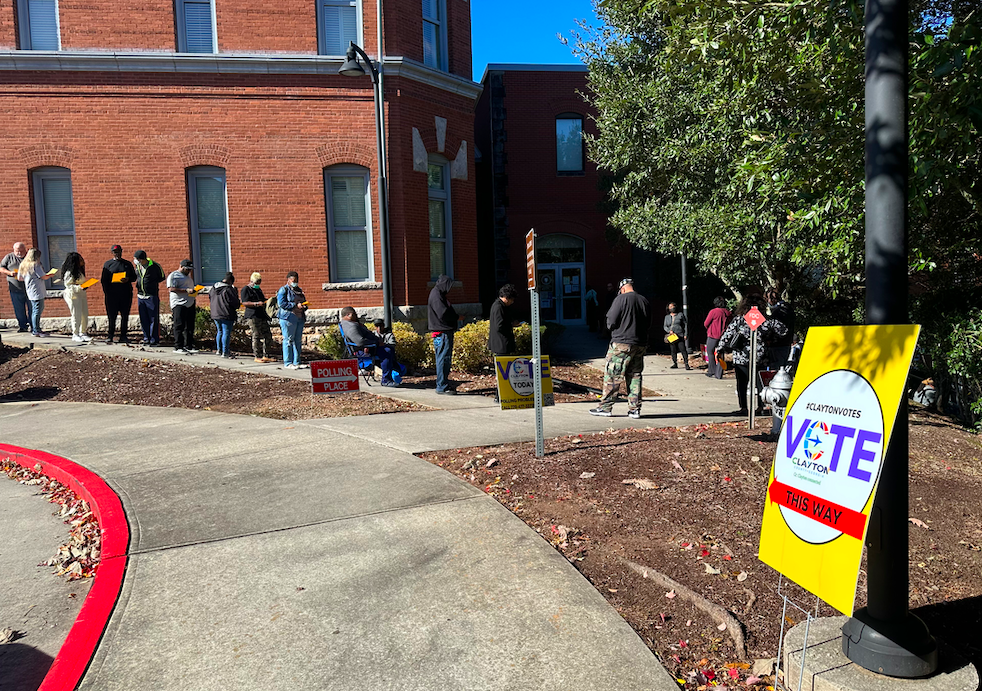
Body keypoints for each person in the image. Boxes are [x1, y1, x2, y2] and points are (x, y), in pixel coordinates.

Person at [716, 293, 788, 415]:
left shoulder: (739, 319)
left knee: (742, 384)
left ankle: (744, 407)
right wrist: (770, 339)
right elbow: (783, 330)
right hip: (761, 356)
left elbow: (727, 335)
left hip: (741, 356)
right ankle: (761, 406)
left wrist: (720, 348)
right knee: (760, 383)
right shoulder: (766, 320)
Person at [590, 278, 650, 418]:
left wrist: (611, 329)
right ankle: (635, 409)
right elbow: (648, 322)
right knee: (635, 375)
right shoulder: (644, 301)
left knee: (613, 375)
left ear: (622, 289)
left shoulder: (620, 299)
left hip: (622, 343)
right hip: (639, 343)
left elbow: (611, 320)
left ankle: (605, 407)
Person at [340, 308, 399, 386]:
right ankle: (386, 380)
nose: (357, 316)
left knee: (389, 348)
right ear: (349, 315)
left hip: (370, 347)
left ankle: (393, 373)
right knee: (387, 351)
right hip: (365, 350)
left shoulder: (349, 323)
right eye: (355, 315)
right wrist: (376, 343)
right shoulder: (351, 327)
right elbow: (360, 342)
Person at [428, 274, 459, 395]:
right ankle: (442, 385)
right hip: (442, 333)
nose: (449, 289)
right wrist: (456, 317)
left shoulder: (438, 294)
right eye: (448, 286)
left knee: (443, 358)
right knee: (443, 359)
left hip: (442, 332)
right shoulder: (436, 295)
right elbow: (443, 313)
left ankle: (443, 383)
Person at [100, 244, 137, 344]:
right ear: (112, 253)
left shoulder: (127, 264)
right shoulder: (108, 264)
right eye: (115, 252)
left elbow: (134, 277)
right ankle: (110, 335)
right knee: (112, 317)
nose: (117, 254)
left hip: (125, 294)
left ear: (121, 251)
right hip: (112, 296)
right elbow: (103, 280)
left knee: (125, 316)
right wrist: (107, 292)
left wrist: (128, 279)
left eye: (119, 251)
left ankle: (123, 336)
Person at [277, 271, 308, 370]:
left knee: (298, 341)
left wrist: (304, 306)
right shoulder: (283, 290)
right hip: (288, 318)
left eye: (296, 280)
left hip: (299, 317)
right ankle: (288, 362)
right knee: (288, 340)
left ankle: (297, 361)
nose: (295, 282)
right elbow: (281, 304)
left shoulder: (299, 290)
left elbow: (303, 301)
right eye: (293, 280)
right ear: (288, 280)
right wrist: (295, 305)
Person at [240, 272, 274, 363]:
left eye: (259, 283)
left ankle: (266, 355)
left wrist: (268, 301)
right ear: (251, 281)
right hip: (252, 315)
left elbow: (262, 299)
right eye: (256, 283)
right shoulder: (245, 289)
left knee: (268, 335)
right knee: (256, 335)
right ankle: (257, 356)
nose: (258, 285)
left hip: (261, 315)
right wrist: (256, 304)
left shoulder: (258, 290)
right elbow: (244, 302)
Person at [167, 259, 199, 354]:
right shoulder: (174, 276)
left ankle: (188, 345)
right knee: (179, 325)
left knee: (189, 326)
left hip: (190, 302)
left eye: (190, 269)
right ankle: (178, 346)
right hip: (179, 303)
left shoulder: (188, 277)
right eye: (187, 269)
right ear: (181, 267)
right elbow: (171, 289)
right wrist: (186, 290)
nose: (189, 271)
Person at [134, 249, 165, 345]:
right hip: (140, 296)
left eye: (137, 259)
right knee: (143, 318)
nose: (135, 261)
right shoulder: (138, 266)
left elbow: (162, 277)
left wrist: (151, 284)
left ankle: (154, 339)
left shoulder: (154, 266)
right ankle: (146, 338)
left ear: (142, 259)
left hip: (151, 296)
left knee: (153, 318)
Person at [61, 252, 92, 342]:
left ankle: (83, 332)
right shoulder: (69, 272)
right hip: (73, 295)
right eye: (80, 260)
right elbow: (69, 285)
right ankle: (75, 333)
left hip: (81, 294)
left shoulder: (79, 271)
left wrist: (84, 286)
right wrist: (80, 287)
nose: (83, 261)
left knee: (84, 313)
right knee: (76, 314)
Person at [17, 248, 48, 337]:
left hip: (30, 290)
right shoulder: (35, 265)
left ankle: (36, 329)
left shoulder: (23, 265)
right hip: (37, 290)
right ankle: (36, 330)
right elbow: (43, 276)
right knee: (37, 310)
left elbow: (20, 278)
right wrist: (50, 275)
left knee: (35, 309)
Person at [209, 272, 240, 358]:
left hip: (215, 313)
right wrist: (236, 294)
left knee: (219, 331)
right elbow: (235, 303)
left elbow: (210, 298)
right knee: (226, 332)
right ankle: (225, 351)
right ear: (230, 281)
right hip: (226, 313)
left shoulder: (213, 288)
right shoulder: (229, 289)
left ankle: (219, 350)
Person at [1, 242, 30, 332]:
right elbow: (1, 268)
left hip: (30, 288)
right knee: (19, 309)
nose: (20, 253)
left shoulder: (29, 258)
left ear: (25, 250)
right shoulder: (9, 257)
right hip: (15, 289)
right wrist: (9, 273)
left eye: (22, 251)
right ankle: (22, 326)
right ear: (14, 250)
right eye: (17, 251)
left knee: (32, 308)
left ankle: (33, 326)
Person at [764, 287, 795, 368]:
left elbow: (775, 329)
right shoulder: (788, 309)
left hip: (777, 345)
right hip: (787, 343)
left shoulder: (779, 312)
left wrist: (769, 339)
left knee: (777, 369)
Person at [703, 296, 732, 379]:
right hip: (723, 336)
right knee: (721, 354)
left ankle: (711, 370)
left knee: (710, 352)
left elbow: (706, 323)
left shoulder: (713, 312)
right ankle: (719, 373)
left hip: (713, 335)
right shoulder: (728, 313)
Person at [663, 302, 691, 370]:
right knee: (673, 350)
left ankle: (686, 363)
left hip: (679, 334)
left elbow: (685, 325)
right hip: (672, 336)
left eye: (673, 306)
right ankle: (675, 363)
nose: (672, 308)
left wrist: (685, 334)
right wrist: (669, 331)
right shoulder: (667, 317)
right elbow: (665, 326)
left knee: (683, 349)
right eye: (670, 307)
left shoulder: (680, 315)